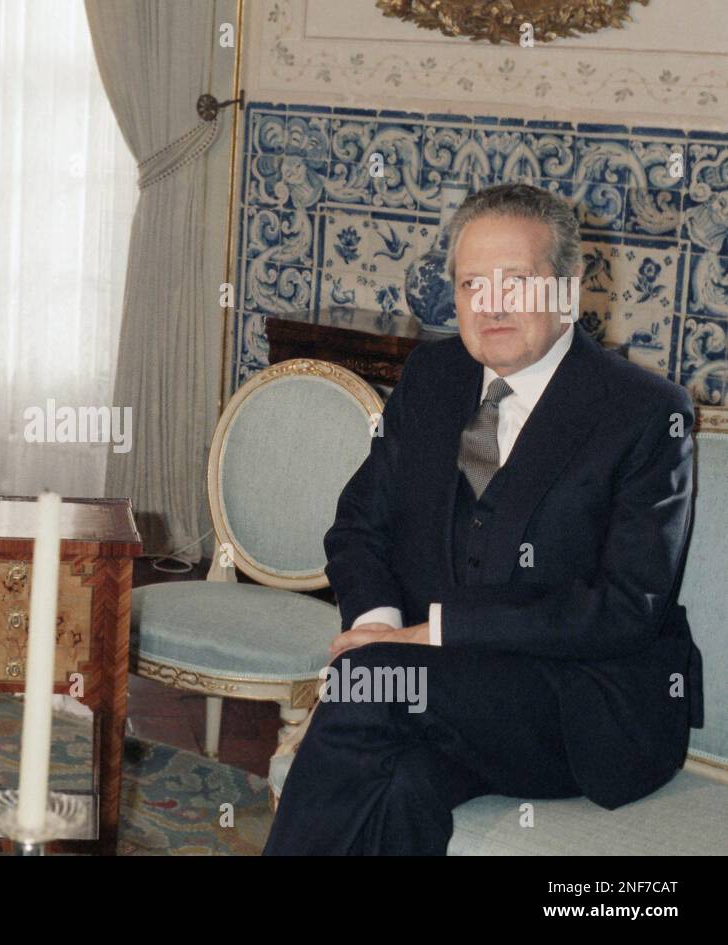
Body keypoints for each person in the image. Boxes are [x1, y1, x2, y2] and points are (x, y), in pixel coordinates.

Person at [264, 183, 704, 855]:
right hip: (449, 700)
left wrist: (430, 635)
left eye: (516, 283)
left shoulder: (645, 413)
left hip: (576, 704)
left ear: (568, 289)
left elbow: (625, 607)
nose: (491, 305)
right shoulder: (433, 376)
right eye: (472, 285)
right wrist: (380, 625)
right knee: (404, 783)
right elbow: (359, 526)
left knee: (370, 681)